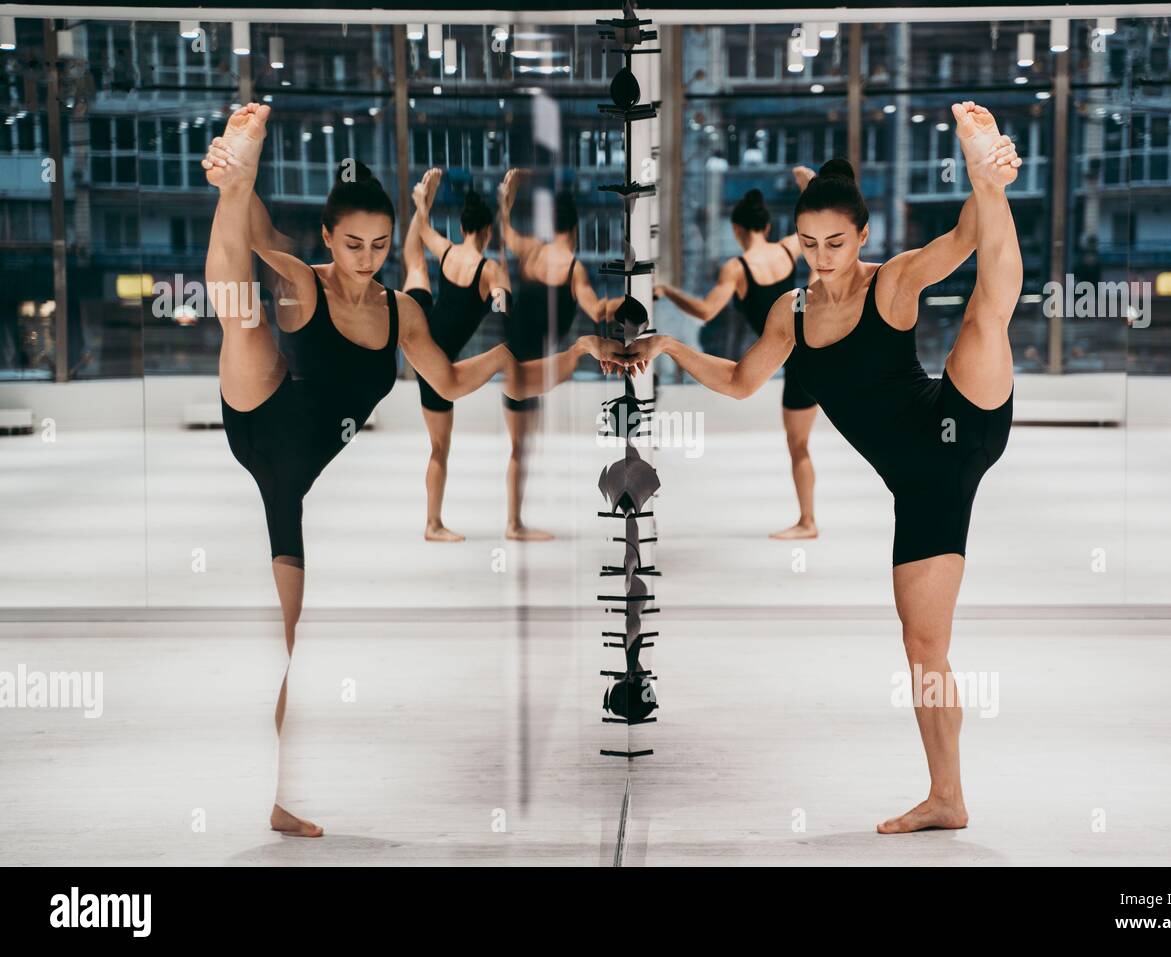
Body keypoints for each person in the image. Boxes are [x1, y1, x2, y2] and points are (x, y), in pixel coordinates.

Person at [202, 104, 626, 837]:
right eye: (352, 243)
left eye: (378, 244)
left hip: (291, 481)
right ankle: (236, 171)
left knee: (292, 641)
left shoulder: (404, 314)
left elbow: (464, 384)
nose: (366, 257)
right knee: (240, 310)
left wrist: (577, 351)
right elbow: (256, 245)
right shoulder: (305, 283)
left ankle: (279, 794)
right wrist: (239, 192)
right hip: (261, 411)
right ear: (330, 238)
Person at [629, 102, 1022, 834]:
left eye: (836, 241)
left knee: (985, 314)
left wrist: (985, 187)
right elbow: (744, 381)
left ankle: (984, 163)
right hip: (922, 488)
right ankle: (948, 797)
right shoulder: (792, 313)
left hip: (965, 414)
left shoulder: (893, 280)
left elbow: (968, 236)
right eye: (809, 242)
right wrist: (674, 348)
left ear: (862, 236)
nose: (823, 255)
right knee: (924, 647)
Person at [655, 174, 823, 539]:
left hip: (788, 358)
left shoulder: (736, 268)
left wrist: (667, 291)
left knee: (799, 445)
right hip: (819, 347)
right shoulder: (787, 248)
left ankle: (808, 522)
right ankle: (809, 521)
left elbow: (704, 311)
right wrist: (810, 190)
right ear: (766, 225)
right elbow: (817, 234)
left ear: (736, 229)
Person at [495, 168, 607, 540]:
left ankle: (514, 521)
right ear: (574, 230)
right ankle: (514, 524)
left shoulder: (531, 251)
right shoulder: (574, 271)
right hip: (535, 372)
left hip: (514, 366)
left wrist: (505, 200)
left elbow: (505, 232)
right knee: (521, 450)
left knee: (519, 449)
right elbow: (597, 311)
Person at [401, 169, 511, 542]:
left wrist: (423, 212)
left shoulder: (447, 250)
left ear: (464, 228)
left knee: (415, 263)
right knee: (439, 449)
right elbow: (501, 289)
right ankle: (433, 525)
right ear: (487, 231)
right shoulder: (489, 267)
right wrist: (498, 296)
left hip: (421, 337)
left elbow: (421, 237)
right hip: (435, 363)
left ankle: (420, 204)